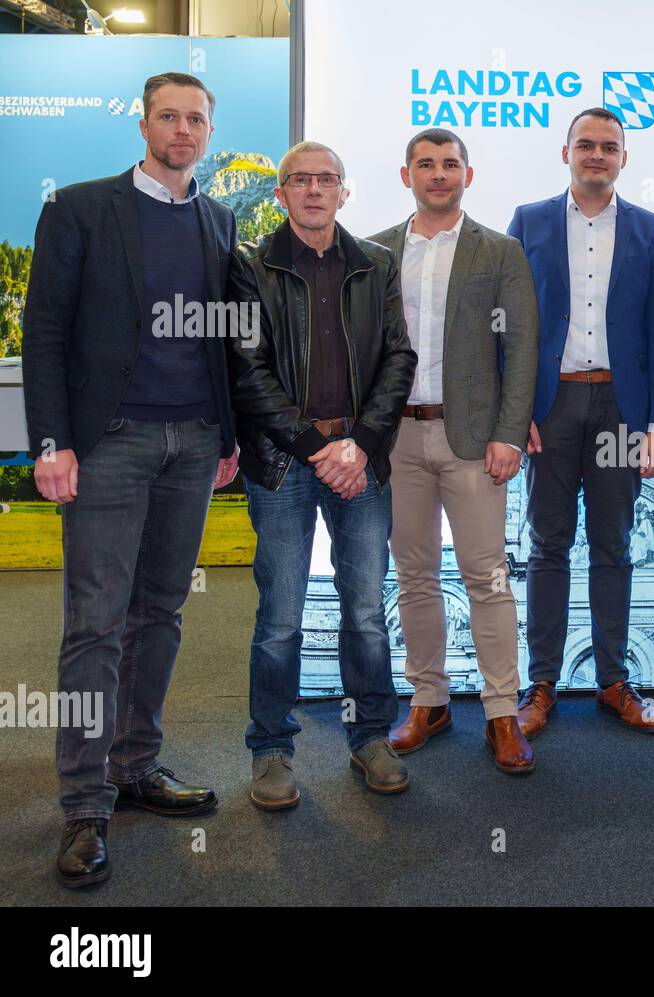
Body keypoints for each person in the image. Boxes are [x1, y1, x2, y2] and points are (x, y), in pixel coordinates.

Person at [23, 72, 239, 888]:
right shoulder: (79, 209)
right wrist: (52, 441)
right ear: (144, 123)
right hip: (109, 443)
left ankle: (137, 763)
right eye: (169, 117)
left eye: (195, 119)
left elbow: (223, 341)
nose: (182, 130)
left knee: (164, 611)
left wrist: (227, 434)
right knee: (95, 625)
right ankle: (85, 802)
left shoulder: (218, 220)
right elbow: (43, 332)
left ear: (208, 130)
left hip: (195, 445)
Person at [227, 141, 416, 808]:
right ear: (280, 194)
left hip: (361, 459)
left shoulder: (377, 264)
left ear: (344, 191)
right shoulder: (250, 267)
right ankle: (271, 749)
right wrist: (318, 448)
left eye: (325, 179)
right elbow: (247, 372)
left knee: (365, 609)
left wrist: (360, 446)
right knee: (280, 615)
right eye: (299, 180)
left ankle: (370, 736)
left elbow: (398, 358)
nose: (313, 189)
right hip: (285, 461)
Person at [372, 129, 540, 773]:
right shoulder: (378, 251)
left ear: (468, 174)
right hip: (396, 440)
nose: (438, 174)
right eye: (425, 164)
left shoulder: (500, 251)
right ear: (406, 172)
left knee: (488, 579)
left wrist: (508, 431)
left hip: (472, 440)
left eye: (450, 164)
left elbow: (521, 347)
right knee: (413, 577)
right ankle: (430, 701)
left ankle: (501, 712)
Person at [507, 107, 654, 737]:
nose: (597, 155)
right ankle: (541, 685)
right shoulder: (528, 221)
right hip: (551, 409)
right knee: (547, 546)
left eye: (609, 146)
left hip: (617, 411)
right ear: (566, 153)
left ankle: (613, 682)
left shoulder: (651, 230)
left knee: (613, 546)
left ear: (624, 158)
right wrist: (515, 411)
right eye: (586, 145)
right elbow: (514, 326)